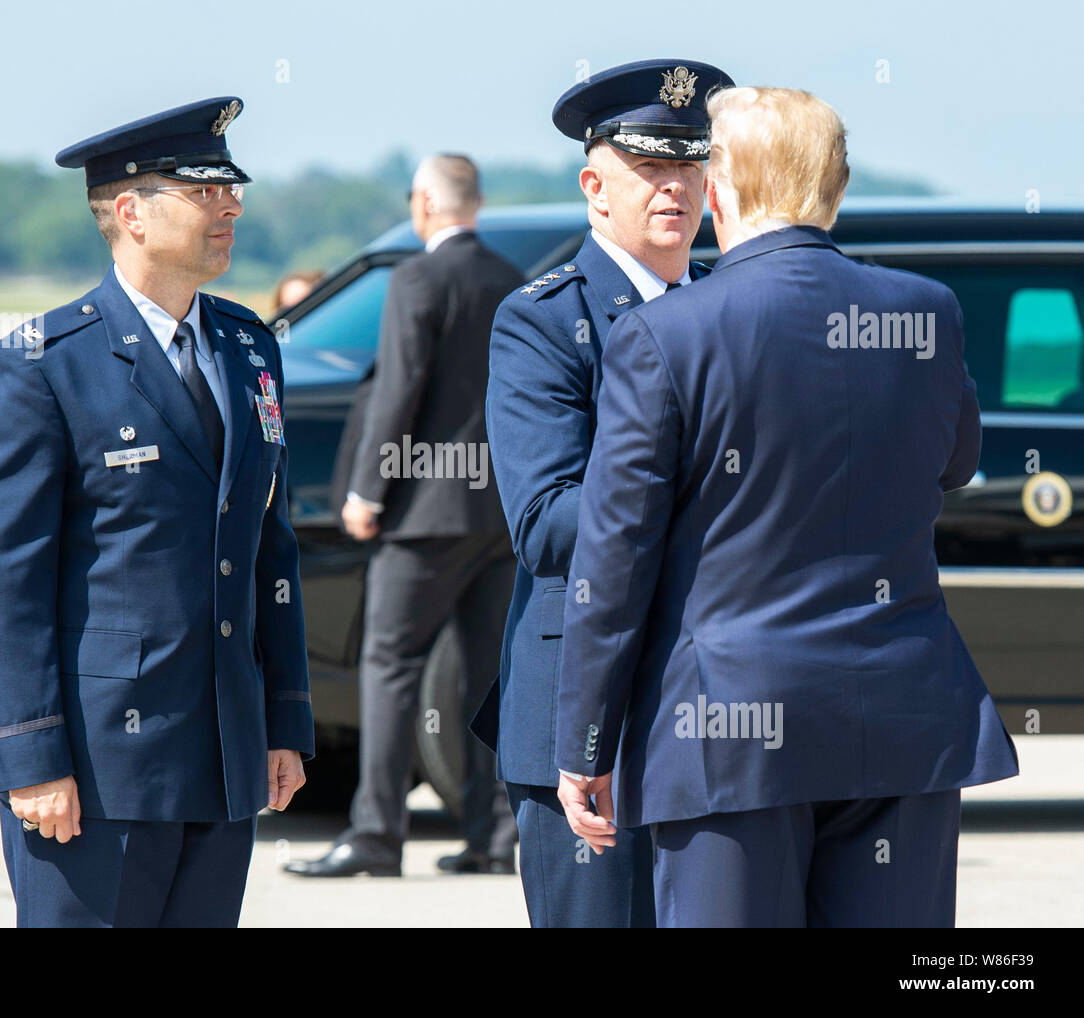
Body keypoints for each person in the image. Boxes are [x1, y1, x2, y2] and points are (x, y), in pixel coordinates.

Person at [554, 86, 1020, 927]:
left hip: (728, 731)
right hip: (902, 719)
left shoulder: (668, 333)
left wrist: (584, 742)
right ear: (835, 191)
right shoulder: (927, 311)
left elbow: (614, 560)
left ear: (720, 191)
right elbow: (958, 463)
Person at [0, 96, 314, 927]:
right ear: (129, 211)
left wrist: (283, 720)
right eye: (202, 190)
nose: (230, 204)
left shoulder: (246, 345)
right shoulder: (43, 366)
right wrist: (28, 757)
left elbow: (268, 545)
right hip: (94, 769)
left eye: (231, 187)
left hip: (223, 755)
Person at [469, 59, 733, 927]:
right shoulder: (544, 320)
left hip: (724, 699)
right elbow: (546, 524)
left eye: (691, 166)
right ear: (595, 185)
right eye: (650, 167)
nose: (675, 188)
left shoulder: (736, 308)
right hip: (592, 713)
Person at [285, 155, 521, 878]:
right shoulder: (510, 281)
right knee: (490, 679)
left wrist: (367, 492)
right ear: (475, 203)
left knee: (388, 667)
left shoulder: (418, 278)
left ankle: (377, 835)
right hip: (497, 515)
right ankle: (494, 836)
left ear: (424, 204)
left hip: (423, 514)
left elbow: (399, 391)